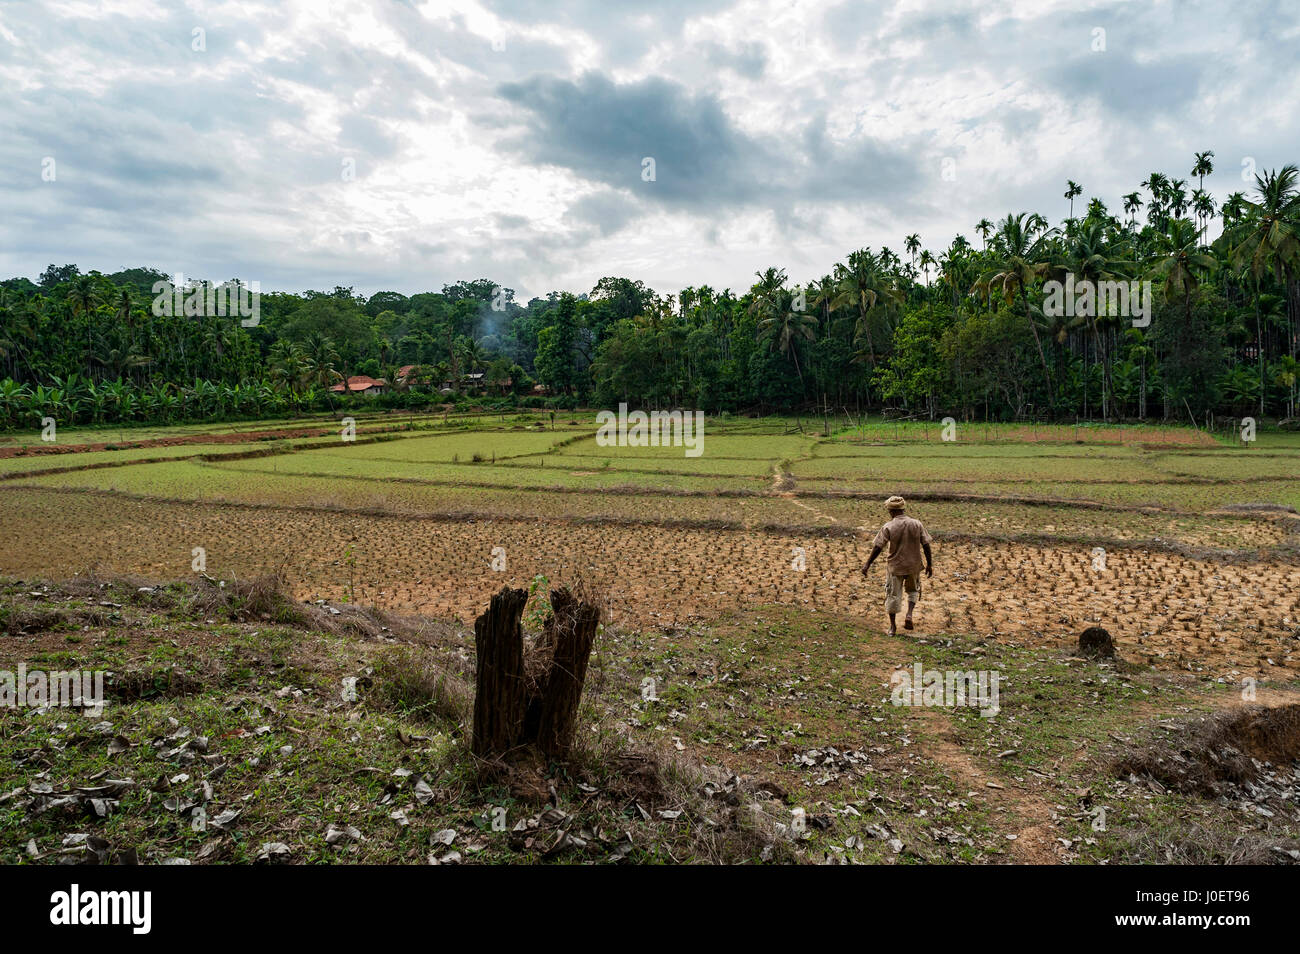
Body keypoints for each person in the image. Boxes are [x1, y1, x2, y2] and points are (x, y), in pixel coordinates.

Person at [861, 495, 933, 635]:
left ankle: (893, 627)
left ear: (891, 511)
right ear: (903, 509)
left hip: (895, 566)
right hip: (913, 565)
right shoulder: (917, 524)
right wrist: (929, 564)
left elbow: (878, 547)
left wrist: (867, 564)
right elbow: (926, 544)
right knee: (913, 590)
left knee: (893, 595)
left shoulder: (889, 526)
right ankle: (909, 615)